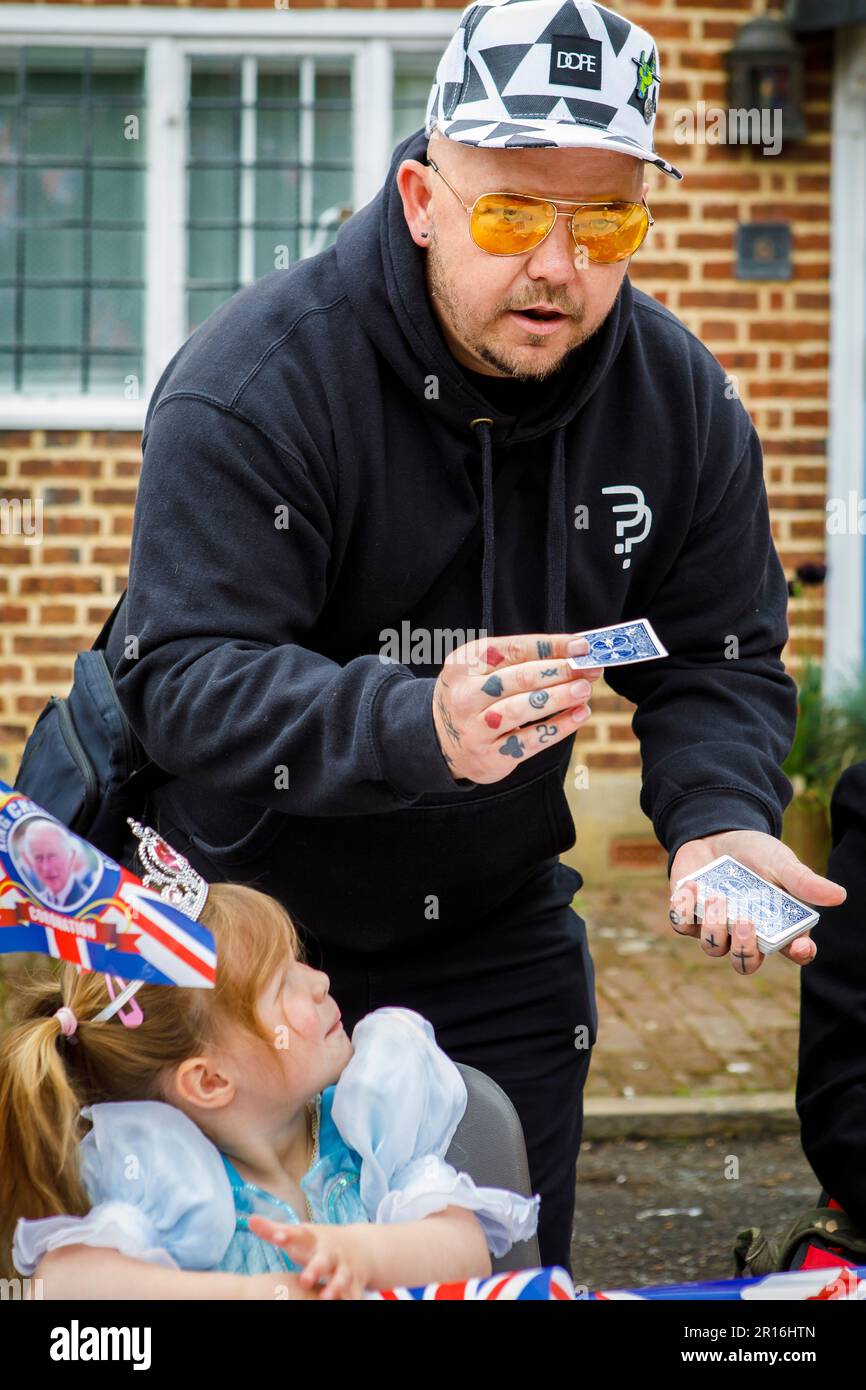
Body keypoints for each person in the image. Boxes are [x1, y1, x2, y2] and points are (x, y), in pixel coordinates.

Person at [103, 0, 844, 1274]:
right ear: (420, 197)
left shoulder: (682, 404)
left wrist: (716, 812)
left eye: (604, 219)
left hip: (492, 925)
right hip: (239, 927)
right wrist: (414, 723)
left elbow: (713, 657)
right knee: (231, 1269)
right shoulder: (259, 380)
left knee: (497, 1263)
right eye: (510, 212)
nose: (556, 264)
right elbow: (185, 674)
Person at [1, 876, 539, 1299]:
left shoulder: (367, 1131)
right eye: (284, 986)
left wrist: (365, 1256)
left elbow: (467, 1250)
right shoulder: (161, 1177)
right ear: (210, 1080)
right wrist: (249, 1293)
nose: (320, 981)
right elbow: (60, 1284)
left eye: (298, 961)